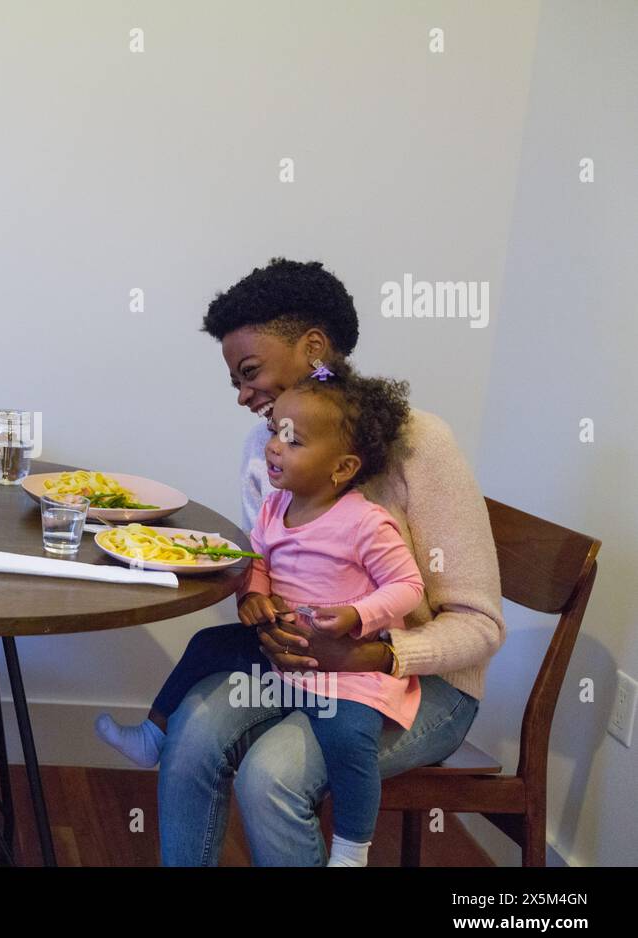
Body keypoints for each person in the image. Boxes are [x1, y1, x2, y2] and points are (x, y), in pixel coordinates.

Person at [151, 258, 505, 866]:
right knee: (188, 735)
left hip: (418, 685)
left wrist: (377, 652)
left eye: (251, 372)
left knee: (270, 777)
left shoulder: (421, 446)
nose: (242, 396)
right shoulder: (263, 450)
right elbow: (268, 562)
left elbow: (480, 625)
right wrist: (258, 611)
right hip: (304, 666)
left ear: (314, 348)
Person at [102, 358, 424, 866]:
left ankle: (351, 849)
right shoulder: (277, 506)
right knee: (207, 645)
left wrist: (357, 616)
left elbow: (407, 586)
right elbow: (260, 561)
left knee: (349, 737)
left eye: (293, 441)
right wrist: (253, 593)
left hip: (346, 666)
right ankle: (153, 733)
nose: (274, 445)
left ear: (342, 468)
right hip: (285, 649)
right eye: (276, 431)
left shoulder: (366, 523)